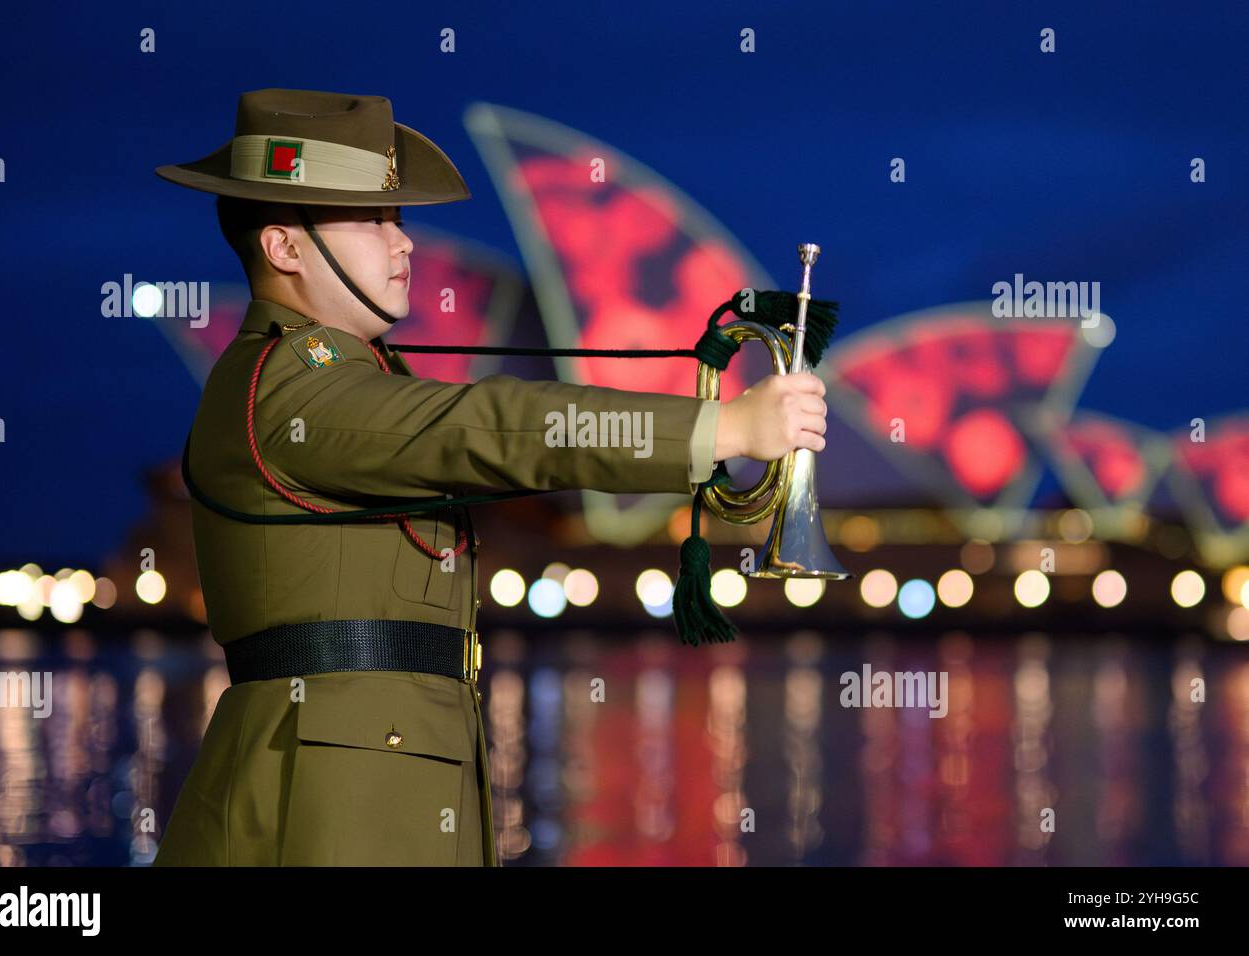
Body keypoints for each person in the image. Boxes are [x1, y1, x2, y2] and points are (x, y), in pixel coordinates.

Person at [150, 88, 828, 866]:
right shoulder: (294, 386)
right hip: (328, 818)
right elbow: (492, 429)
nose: (402, 244)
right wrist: (723, 428)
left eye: (397, 218)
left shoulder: (323, 375)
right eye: (373, 221)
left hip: (360, 798)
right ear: (285, 249)